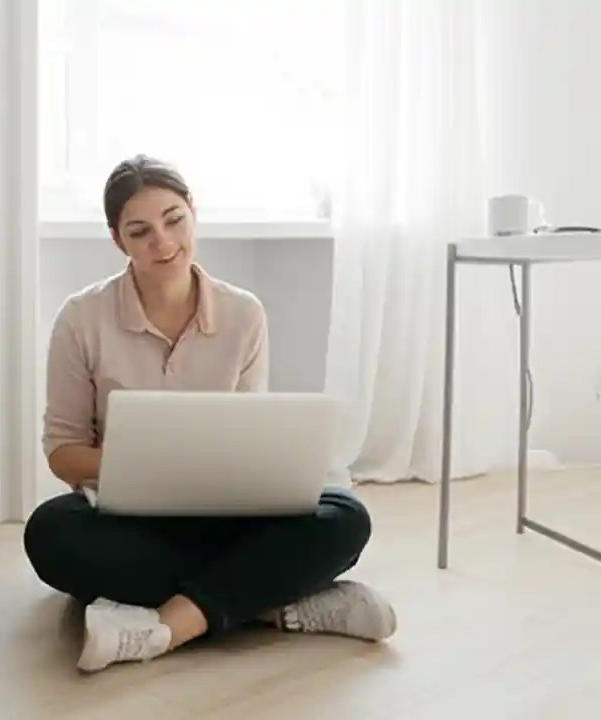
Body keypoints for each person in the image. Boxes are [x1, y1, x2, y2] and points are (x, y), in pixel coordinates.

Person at [24, 155, 396, 674]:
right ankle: (276, 603)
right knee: (49, 535)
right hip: (129, 520)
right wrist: (141, 468)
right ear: (118, 240)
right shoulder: (80, 319)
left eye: (174, 220)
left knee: (345, 517)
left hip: (227, 512)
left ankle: (162, 628)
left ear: (193, 213)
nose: (163, 243)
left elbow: (248, 436)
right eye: (140, 231)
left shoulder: (244, 314)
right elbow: (63, 454)